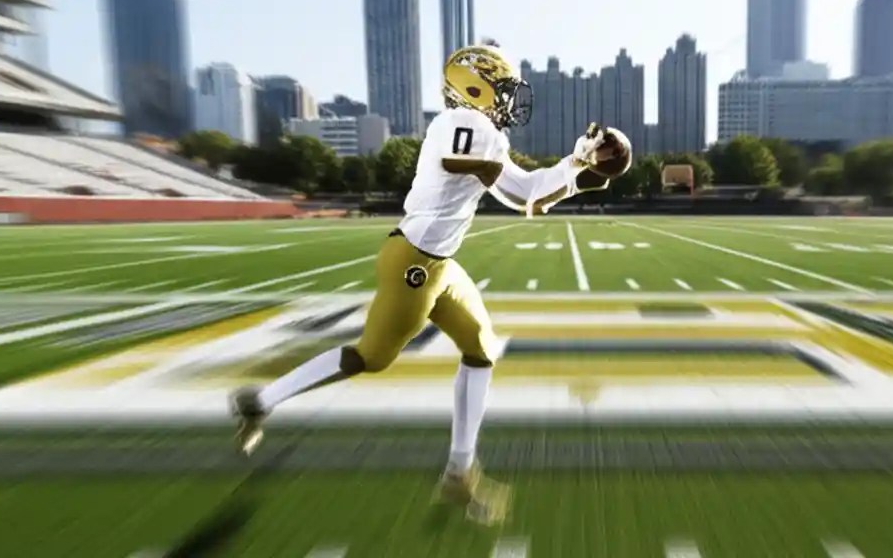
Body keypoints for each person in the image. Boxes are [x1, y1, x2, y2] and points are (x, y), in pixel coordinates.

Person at [228, 43, 623, 525]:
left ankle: (460, 474)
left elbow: (529, 201)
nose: (507, 100)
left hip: (440, 265)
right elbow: (518, 189)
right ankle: (260, 402)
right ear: (472, 88)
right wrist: (574, 166)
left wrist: (578, 168)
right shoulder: (463, 126)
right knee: (369, 358)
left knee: (481, 350)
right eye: (500, 90)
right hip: (413, 263)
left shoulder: (480, 132)